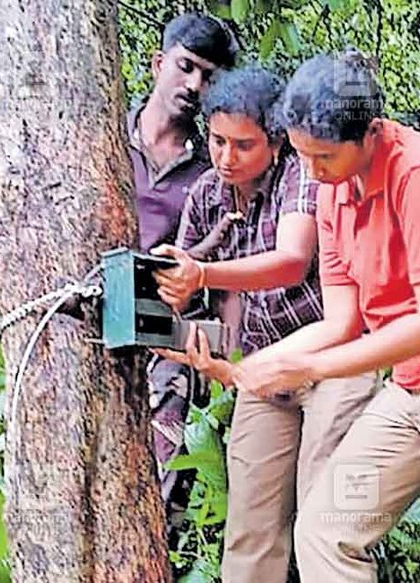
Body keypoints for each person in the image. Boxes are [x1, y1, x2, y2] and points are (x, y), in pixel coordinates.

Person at [201, 52, 420, 582]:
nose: (313, 172)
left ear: (370, 134)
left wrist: (311, 369)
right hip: (413, 385)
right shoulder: (332, 193)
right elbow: (339, 323)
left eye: (324, 156)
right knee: (326, 531)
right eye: (302, 156)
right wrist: (244, 368)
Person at [150, 66, 377, 583]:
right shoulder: (206, 195)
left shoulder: (303, 175)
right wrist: (182, 333)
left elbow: (292, 259)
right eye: (218, 141)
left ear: (275, 143)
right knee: (250, 529)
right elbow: (184, 289)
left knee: (329, 518)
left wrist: (202, 272)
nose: (227, 158)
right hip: (262, 369)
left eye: (244, 145)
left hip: (333, 359)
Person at [126, 12, 238, 515]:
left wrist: (226, 357)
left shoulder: (215, 166)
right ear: (159, 64)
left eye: (208, 77)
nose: (194, 85)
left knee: (165, 474)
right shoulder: (104, 137)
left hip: (167, 323)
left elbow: (227, 272)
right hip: (93, 308)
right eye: (185, 67)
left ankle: (161, 541)